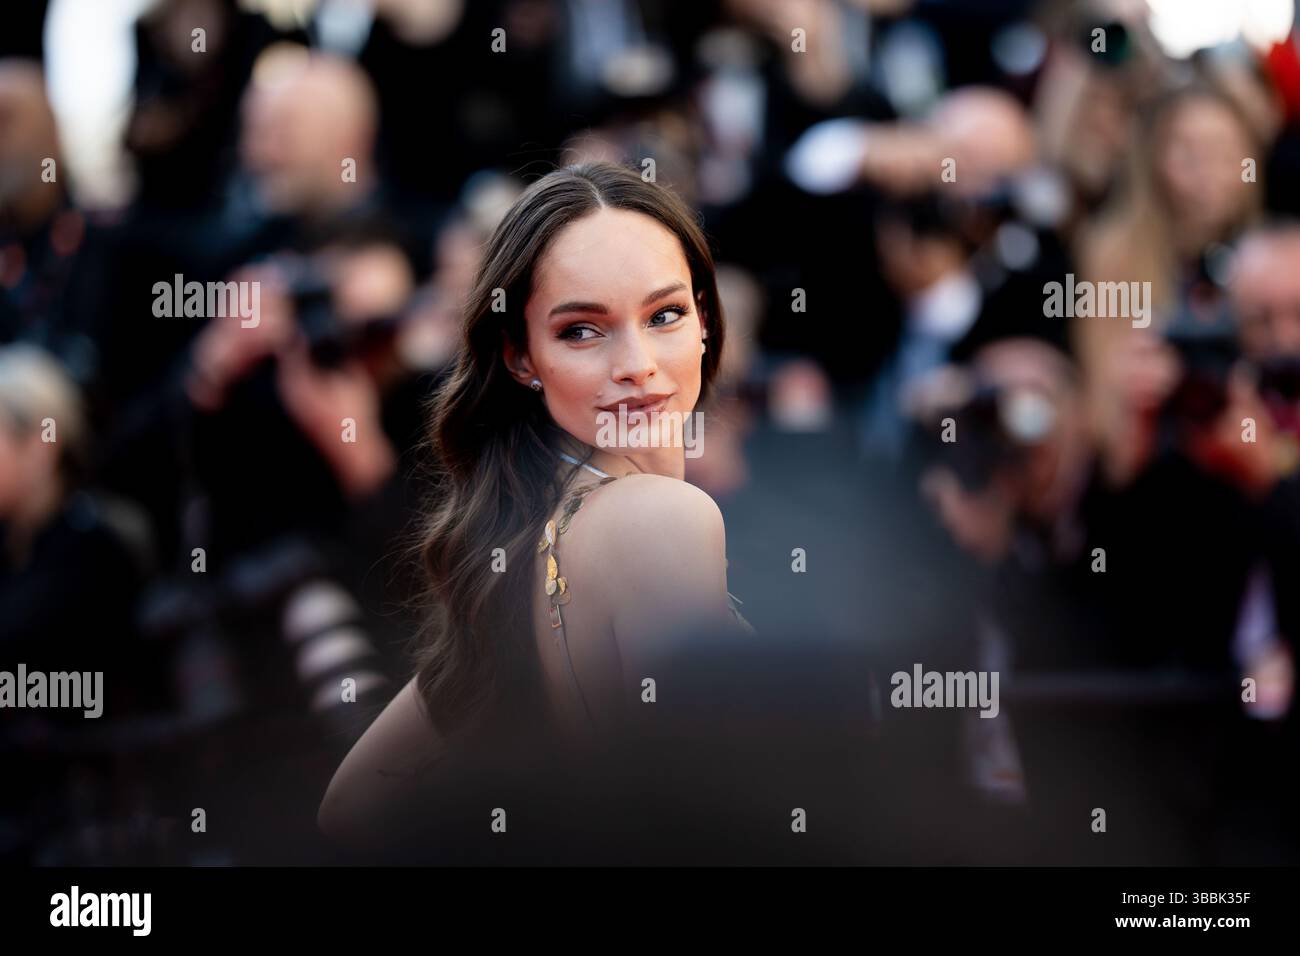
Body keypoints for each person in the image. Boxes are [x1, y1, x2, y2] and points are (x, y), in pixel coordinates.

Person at [317, 163, 752, 850]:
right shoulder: (664, 518)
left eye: (664, 314)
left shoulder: (520, 545)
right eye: (583, 330)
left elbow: (350, 806)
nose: (637, 362)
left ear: (704, 319)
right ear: (521, 357)